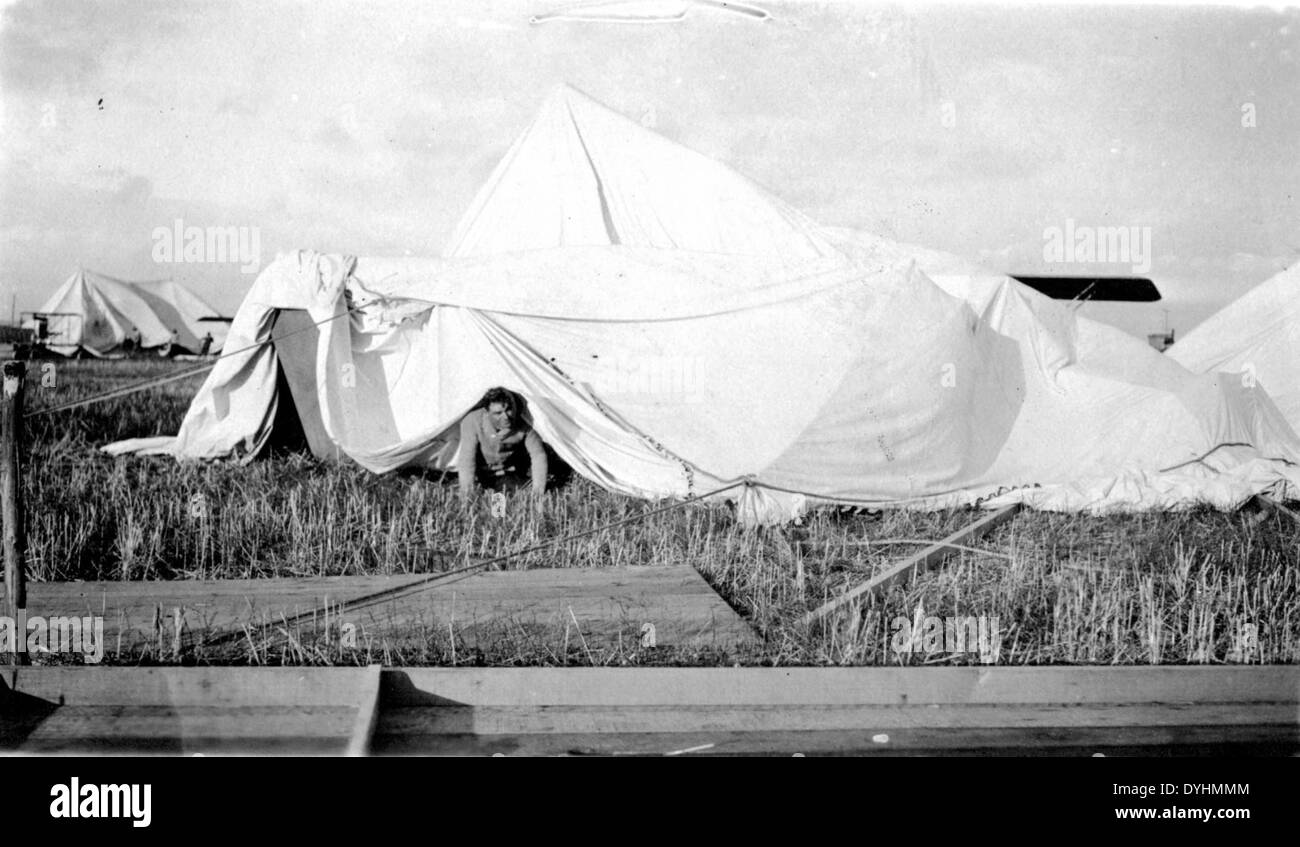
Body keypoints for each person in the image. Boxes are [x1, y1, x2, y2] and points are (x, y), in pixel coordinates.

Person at [457, 387, 548, 500]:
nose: (505, 417)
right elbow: (467, 458)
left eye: (509, 410)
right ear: (486, 412)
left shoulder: (524, 422)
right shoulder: (472, 421)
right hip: (481, 473)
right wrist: (467, 493)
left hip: (509, 473)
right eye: (498, 413)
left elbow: (538, 455)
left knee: (516, 495)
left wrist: (538, 491)